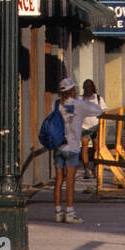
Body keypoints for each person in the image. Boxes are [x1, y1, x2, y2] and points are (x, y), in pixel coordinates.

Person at [53, 77, 89, 223]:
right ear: (72, 90)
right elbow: (97, 110)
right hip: (72, 147)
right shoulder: (78, 104)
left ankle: (57, 212)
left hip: (58, 145)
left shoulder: (55, 104)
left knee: (59, 179)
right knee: (70, 180)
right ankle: (69, 212)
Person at [79, 79, 106, 180]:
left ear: (93, 87)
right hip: (84, 126)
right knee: (84, 147)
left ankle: (95, 168)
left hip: (96, 126)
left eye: (89, 86)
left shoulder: (98, 98)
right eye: (85, 86)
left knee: (97, 148)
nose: (87, 88)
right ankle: (86, 169)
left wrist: (102, 125)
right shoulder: (80, 99)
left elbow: (104, 111)